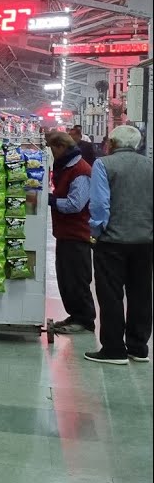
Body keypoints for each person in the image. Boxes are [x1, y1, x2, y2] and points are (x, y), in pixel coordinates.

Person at [85, 125, 153, 365]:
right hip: (144, 242)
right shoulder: (150, 165)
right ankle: (138, 347)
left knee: (111, 294)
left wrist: (96, 232)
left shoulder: (103, 165)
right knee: (141, 294)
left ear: (112, 143)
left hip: (111, 241)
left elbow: (100, 205)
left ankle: (114, 349)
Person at [45, 131, 95, 335]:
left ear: (61, 147)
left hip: (77, 235)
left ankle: (84, 320)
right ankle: (75, 315)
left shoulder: (80, 170)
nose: (52, 154)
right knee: (67, 279)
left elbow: (75, 204)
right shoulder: (67, 167)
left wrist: (50, 200)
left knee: (77, 279)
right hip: (66, 233)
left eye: (52, 149)